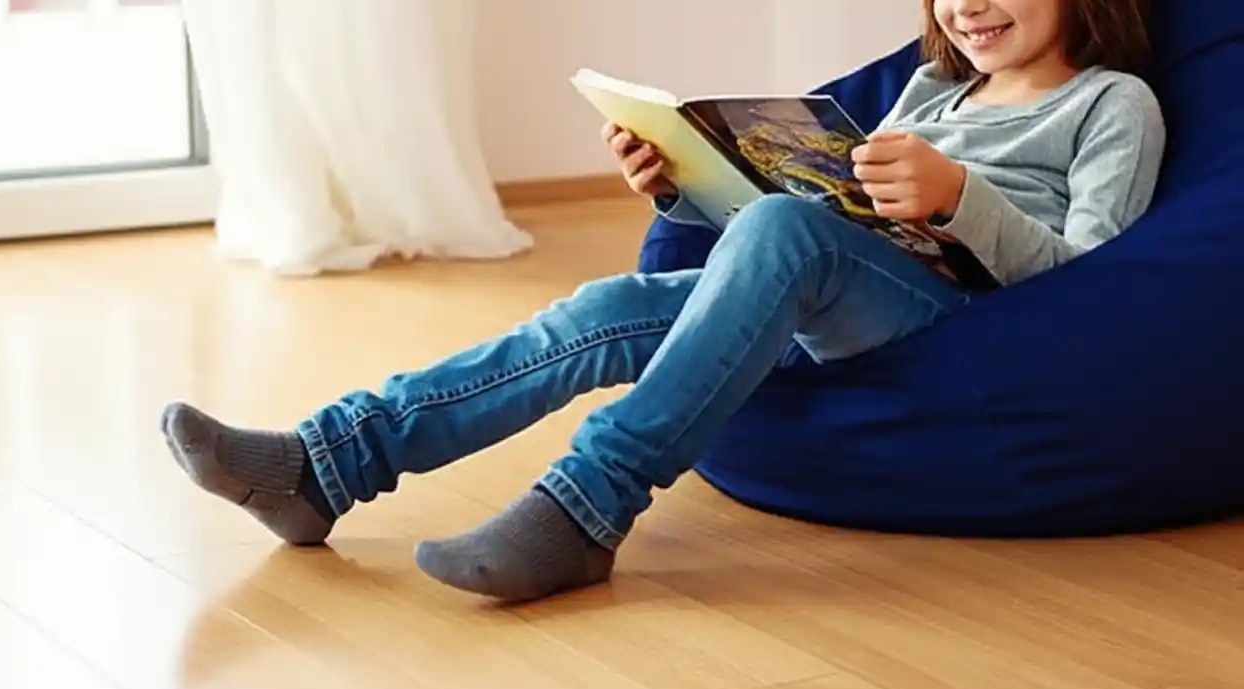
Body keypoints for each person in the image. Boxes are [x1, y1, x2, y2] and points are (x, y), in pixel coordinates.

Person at [161, 0, 1165, 602]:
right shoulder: (927, 92)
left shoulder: (1109, 102)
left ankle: (587, 507)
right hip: (837, 287)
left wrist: (960, 200)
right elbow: (811, 217)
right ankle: (325, 463)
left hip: (963, 326)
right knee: (608, 307)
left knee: (779, 236)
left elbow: (1095, 281)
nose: (971, 4)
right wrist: (681, 182)